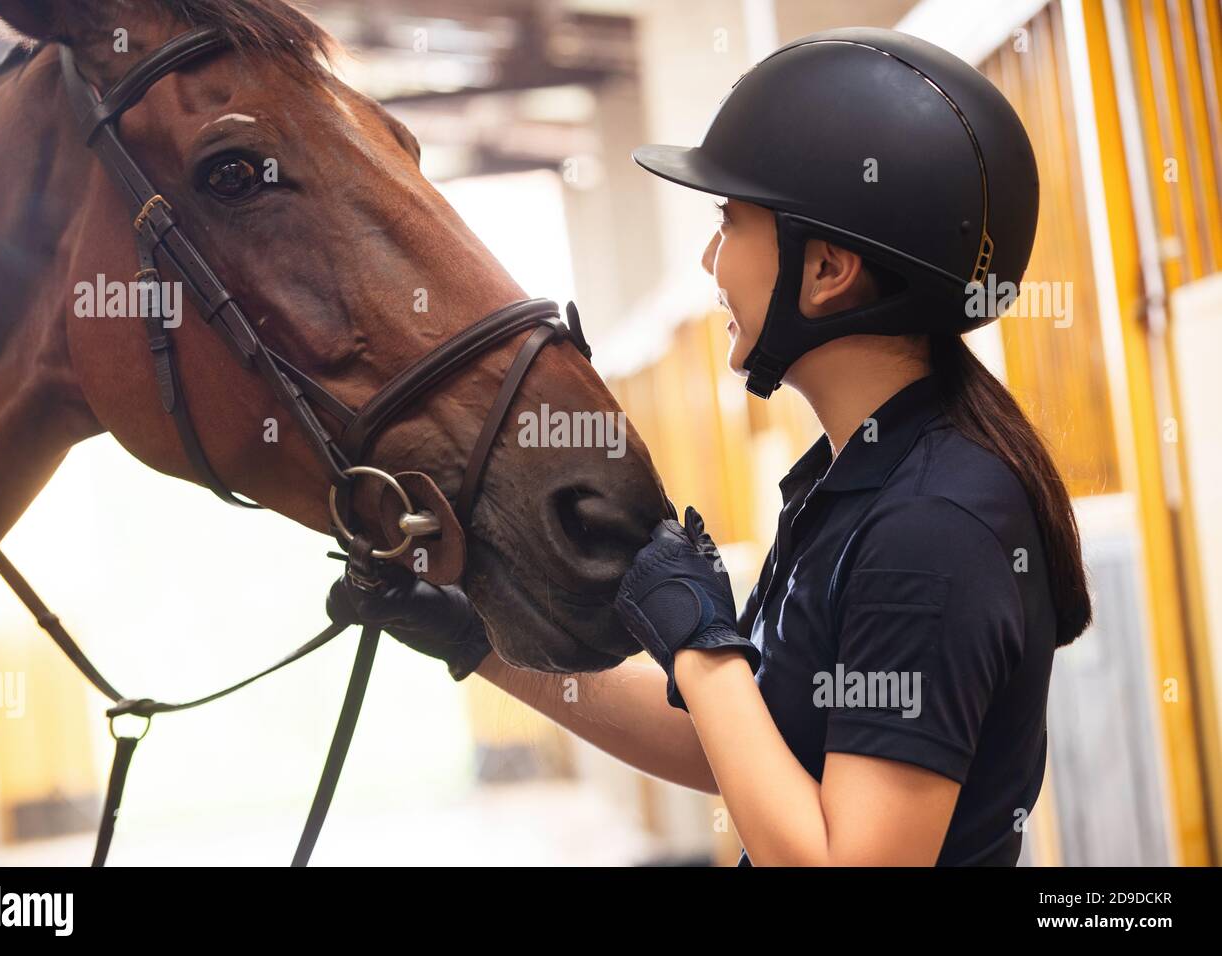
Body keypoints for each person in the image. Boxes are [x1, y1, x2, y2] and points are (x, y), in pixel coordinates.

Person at [328, 27, 1091, 866]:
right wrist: (478, 641)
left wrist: (702, 649)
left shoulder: (932, 529)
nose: (708, 258)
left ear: (827, 270)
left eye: (728, 222)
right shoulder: (858, 488)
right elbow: (737, 754)